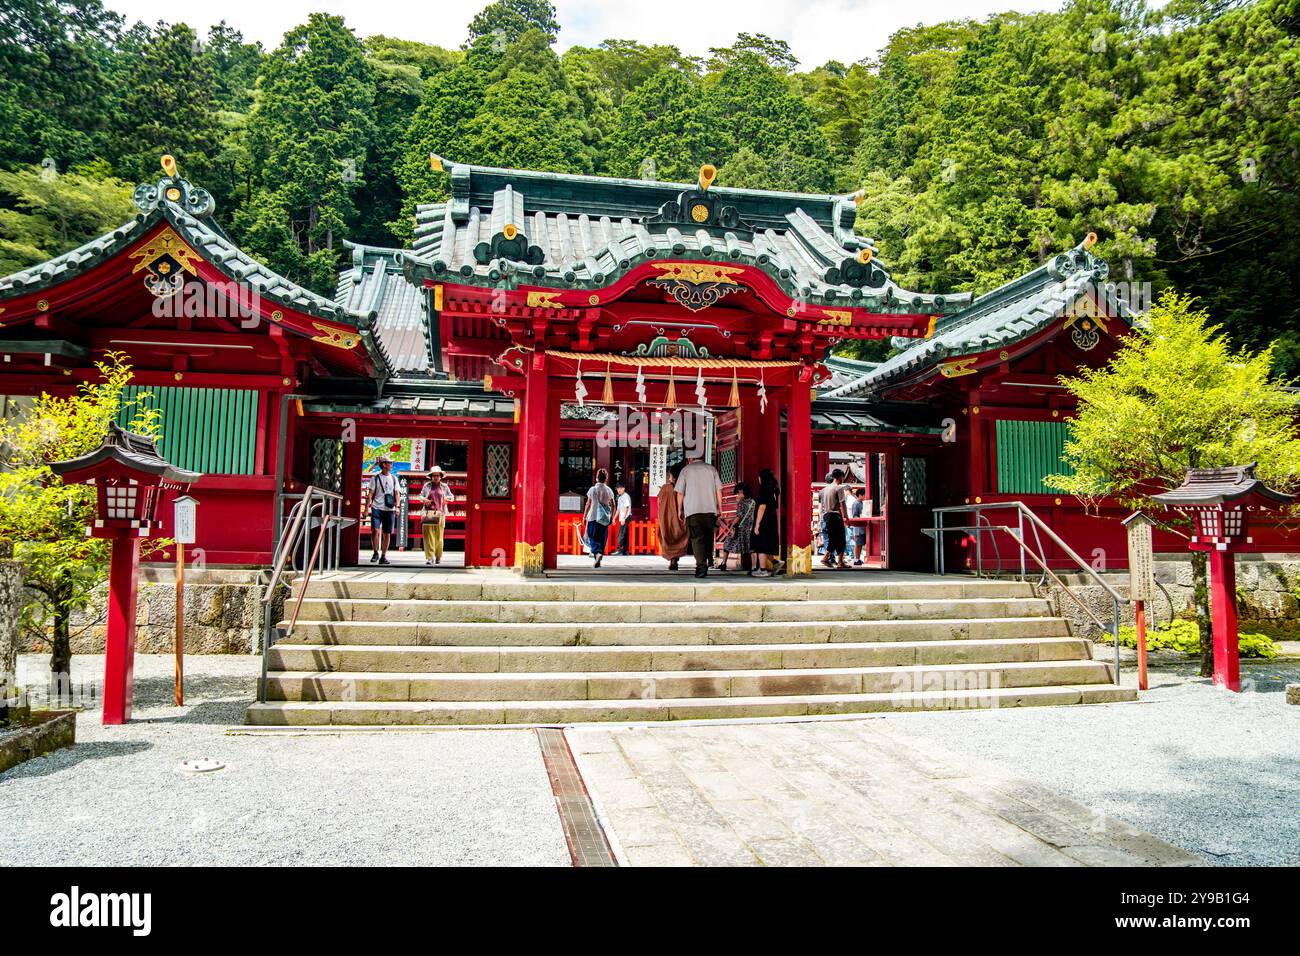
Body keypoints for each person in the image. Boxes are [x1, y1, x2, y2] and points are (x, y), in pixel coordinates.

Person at [675, 453, 723, 578]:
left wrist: (679, 509)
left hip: (692, 510)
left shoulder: (686, 470)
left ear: (690, 459)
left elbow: (680, 493)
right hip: (710, 509)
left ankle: (701, 567)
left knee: (697, 539)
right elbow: (719, 490)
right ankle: (707, 560)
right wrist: (720, 508)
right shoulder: (712, 469)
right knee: (708, 537)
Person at [368, 455, 401, 565]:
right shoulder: (375, 478)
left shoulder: (393, 478)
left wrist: (397, 507)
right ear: (384, 464)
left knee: (387, 533)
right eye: (389, 463)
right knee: (375, 530)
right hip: (377, 507)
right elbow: (370, 494)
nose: (391, 465)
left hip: (389, 508)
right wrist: (366, 508)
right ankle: (375, 552)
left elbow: (397, 494)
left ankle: (383, 555)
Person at [714, 482, 754, 573]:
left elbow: (738, 517)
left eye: (739, 492)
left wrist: (731, 527)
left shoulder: (741, 503)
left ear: (744, 493)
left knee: (727, 543)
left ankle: (724, 563)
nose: (738, 494)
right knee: (749, 547)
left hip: (740, 528)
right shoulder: (752, 502)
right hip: (749, 528)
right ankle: (752, 566)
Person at [420, 465, 454, 566]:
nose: (436, 477)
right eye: (434, 475)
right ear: (431, 476)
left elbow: (452, 497)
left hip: (440, 513)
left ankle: (438, 556)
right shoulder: (427, 486)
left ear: (440, 476)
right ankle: (430, 557)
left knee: (439, 537)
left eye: (437, 475)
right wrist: (425, 500)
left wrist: (447, 500)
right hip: (428, 513)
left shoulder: (444, 486)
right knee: (428, 536)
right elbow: (420, 496)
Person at [656, 464, 689, 570]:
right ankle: (675, 559)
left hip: (666, 519)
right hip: (680, 518)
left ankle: (672, 560)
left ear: (672, 476)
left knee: (668, 536)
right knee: (679, 536)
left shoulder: (665, 488)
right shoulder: (684, 487)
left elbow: (659, 502)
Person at [751, 468, 782, 577]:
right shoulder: (775, 490)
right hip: (772, 519)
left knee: (761, 544)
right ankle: (776, 563)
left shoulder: (764, 489)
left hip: (764, 520)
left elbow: (762, 507)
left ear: (762, 478)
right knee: (767, 543)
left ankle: (763, 570)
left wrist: (757, 524)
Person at [584, 468, 616, 568]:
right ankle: (598, 556)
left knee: (592, 536)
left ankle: (597, 554)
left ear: (597, 478)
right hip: (604, 518)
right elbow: (613, 505)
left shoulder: (592, 489)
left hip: (593, 517)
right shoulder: (609, 490)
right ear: (606, 478)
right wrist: (612, 517)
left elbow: (588, 504)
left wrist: (584, 516)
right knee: (601, 538)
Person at [820, 468, 849, 569]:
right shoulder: (839, 488)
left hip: (827, 516)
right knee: (841, 538)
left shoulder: (825, 489)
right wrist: (846, 517)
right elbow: (842, 504)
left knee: (832, 538)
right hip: (836, 515)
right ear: (841, 477)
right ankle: (839, 561)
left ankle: (828, 557)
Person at [848, 485, 867, 567]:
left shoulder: (861, 503)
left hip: (862, 526)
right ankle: (856, 559)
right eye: (864, 495)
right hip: (859, 527)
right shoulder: (856, 503)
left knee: (860, 543)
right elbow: (855, 515)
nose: (865, 496)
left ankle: (858, 558)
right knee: (858, 543)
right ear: (860, 495)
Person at [613, 480, 632, 555]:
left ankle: (619, 550)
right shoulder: (620, 497)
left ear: (624, 488)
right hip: (623, 516)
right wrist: (614, 518)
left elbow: (626, 507)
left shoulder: (626, 496)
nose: (619, 490)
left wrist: (624, 518)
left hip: (626, 516)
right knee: (625, 534)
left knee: (620, 533)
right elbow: (618, 509)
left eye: (620, 488)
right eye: (617, 488)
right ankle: (626, 551)